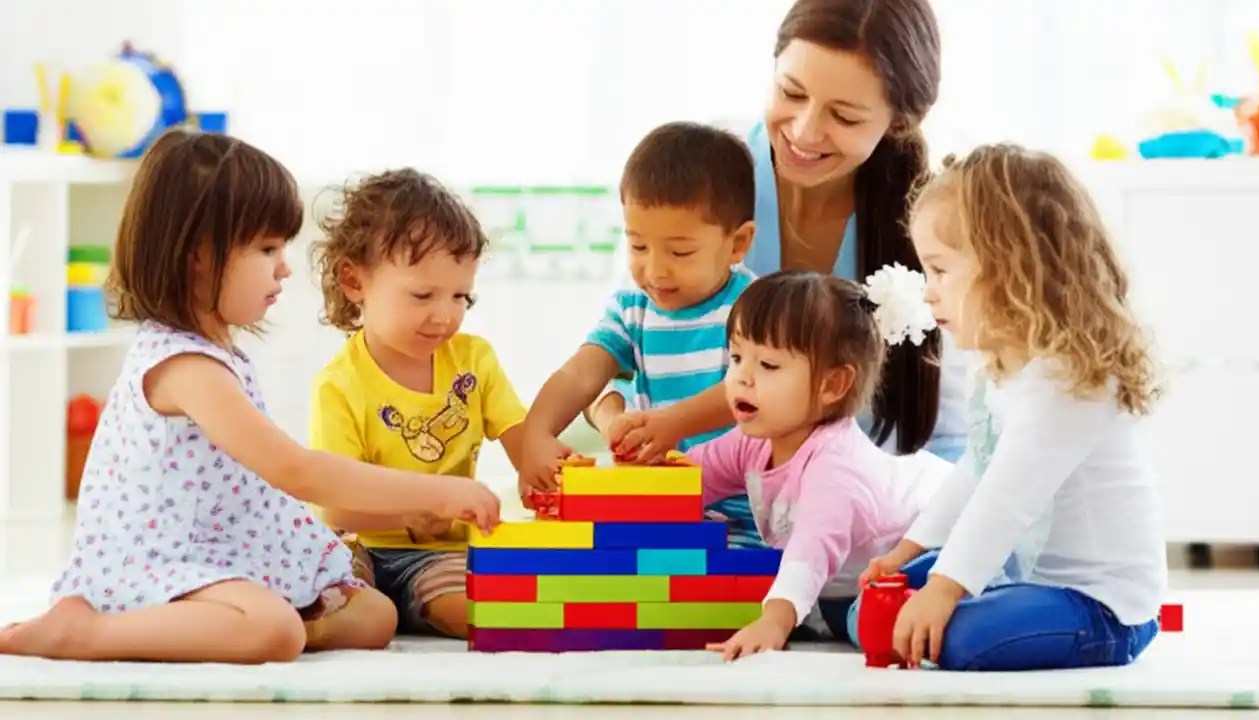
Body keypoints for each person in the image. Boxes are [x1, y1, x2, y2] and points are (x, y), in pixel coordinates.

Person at [0, 130, 499, 664]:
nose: (284, 267)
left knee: (375, 615)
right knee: (273, 632)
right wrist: (432, 494)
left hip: (222, 548)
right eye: (267, 249)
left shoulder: (220, 354)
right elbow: (296, 470)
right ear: (198, 255)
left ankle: (225, 626)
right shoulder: (186, 368)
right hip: (160, 560)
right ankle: (81, 633)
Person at [593, 0, 968, 546]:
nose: (805, 130)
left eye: (844, 116)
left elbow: (947, 442)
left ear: (899, 122)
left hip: (848, 536)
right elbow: (613, 349)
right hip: (689, 510)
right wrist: (617, 426)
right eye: (791, 93)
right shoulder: (708, 172)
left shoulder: (926, 226)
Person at [856, 143, 1167, 672]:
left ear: (1009, 270)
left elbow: (1006, 498)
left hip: (1102, 608)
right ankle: (953, 599)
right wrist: (908, 554)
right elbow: (974, 472)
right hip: (1029, 578)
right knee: (881, 604)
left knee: (959, 638)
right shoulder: (1003, 371)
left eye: (940, 270)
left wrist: (945, 587)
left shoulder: (1069, 384)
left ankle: (964, 606)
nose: (928, 294)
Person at [309, 169, 526, 639]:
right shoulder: (339, 385)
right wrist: (409, 511)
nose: (444, 314)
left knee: (475, 607)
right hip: (358, 543)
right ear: (353, 282)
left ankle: (409, 607)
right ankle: (331, 621)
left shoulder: (474, 360)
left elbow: (522, 439)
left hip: (440, 554)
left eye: (460, 296)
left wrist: (543, 466)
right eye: (423, 295)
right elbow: (339, 510)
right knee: (323, 582)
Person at [686, 269, 944, 661]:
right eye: (737, 358)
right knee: (850, 616)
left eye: (768, 365)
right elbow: (688, 479)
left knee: (876, 627)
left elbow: (809, 551)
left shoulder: (836, 468)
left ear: (832, 385)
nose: (741, 378)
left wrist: (775, 620)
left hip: (938, 535)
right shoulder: (753, 441)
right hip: (852, 587)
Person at [518, 122, 756, 527]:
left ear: (737, 243)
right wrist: (537, 432)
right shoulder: (632, 310)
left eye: (680, 252)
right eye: (638, 246)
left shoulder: (757, 307)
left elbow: (754, 390)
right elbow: (580, 375)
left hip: (743, 514)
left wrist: (674, 423)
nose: (655, 270)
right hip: (657, 507)